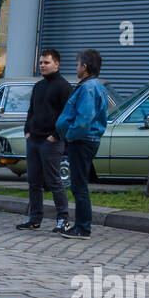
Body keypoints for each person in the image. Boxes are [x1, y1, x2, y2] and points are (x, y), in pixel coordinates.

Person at [54, 49, 109, 240]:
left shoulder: (88, 88)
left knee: (79, 185)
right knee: (79, 184)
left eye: (78, 64)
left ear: (84, 67)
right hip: (85, 140)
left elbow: (84, 119)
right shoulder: (94, 86)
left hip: (81, 141)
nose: (76, 67)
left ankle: (82, 228)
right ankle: (81, 226)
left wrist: (69, 136)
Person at [17, 48, 73, 233]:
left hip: (51, 142)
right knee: (33, 181)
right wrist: (27, 130)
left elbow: (69, 115)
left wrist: (56, 136)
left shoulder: (64, 86)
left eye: (46, 62)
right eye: (41, 62)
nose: (42, 65)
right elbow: (31, 110)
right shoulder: (39, 86)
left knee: (53, 181)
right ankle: (35, 218)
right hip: (33, 140)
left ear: (57, 64)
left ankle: (63, 219)